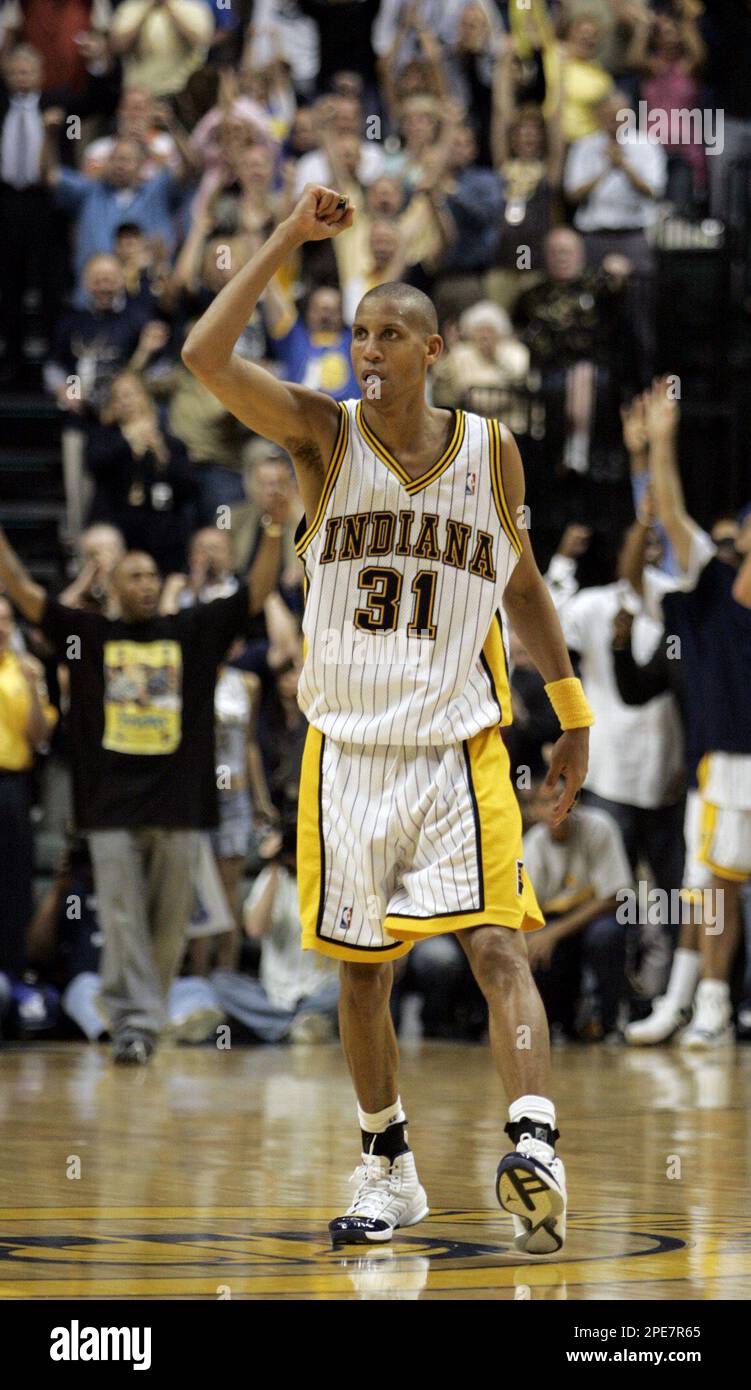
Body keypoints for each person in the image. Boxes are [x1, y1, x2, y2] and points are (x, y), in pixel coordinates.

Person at [182, 181, 594, 1253]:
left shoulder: (489, 453)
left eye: (390, 331)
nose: (369, 346)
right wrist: (287, 238)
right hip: (347, 754)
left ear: (433, 347)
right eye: (359, 330)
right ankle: (386, 1163)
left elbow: (524, 588)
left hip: (458, 747)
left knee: (498, 947)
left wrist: (570, 711)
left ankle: (535, 1143)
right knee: (360, 974)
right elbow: (203, 359)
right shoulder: (321, 436)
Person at [0, 483, 290, 1064]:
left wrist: (276, 529)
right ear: (114, 587)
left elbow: (255, 593)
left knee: (170, 923)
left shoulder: (191, 633)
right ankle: (135, 1024)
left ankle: (144, 1019)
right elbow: (26, 594)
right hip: (109, 806)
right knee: (125, 914)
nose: (146, 584)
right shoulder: (89, 635)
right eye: (134, 576)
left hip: (181, 804)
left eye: (152, 577)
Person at [523, 778, 632, 1041]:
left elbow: (616, 896)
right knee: (537, 945)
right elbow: (526, 910)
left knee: (605, 936)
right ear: (534, 810)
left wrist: (554, 932)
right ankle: (559, 1024)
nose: (555, 806)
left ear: (575, 800)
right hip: (555, 919)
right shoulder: (532, 844)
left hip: (599, 916)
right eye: (546, 801)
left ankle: (611, 1023)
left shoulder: (600, 826)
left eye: (561, 797)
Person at [0, 595, 57, 980]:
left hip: (12, 785)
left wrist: (36, 689)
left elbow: (39, 737)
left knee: (14, 881)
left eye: (6, 619)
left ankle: (12, 975)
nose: (2, 627)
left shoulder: (26, 671)